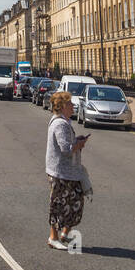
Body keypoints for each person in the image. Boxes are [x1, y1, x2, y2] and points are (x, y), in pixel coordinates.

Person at [45, 89, 93, 249]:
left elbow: (67, 145)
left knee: (76, 202)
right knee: (58, 205)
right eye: (70, 104)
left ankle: (65, 233)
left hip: (70, 172)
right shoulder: (60, 124)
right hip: (60, 172)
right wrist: (78, 144)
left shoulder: (64, 122)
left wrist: (77, 141)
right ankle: (53, 237)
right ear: (63, 106)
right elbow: (65, 149)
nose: (73, 106)